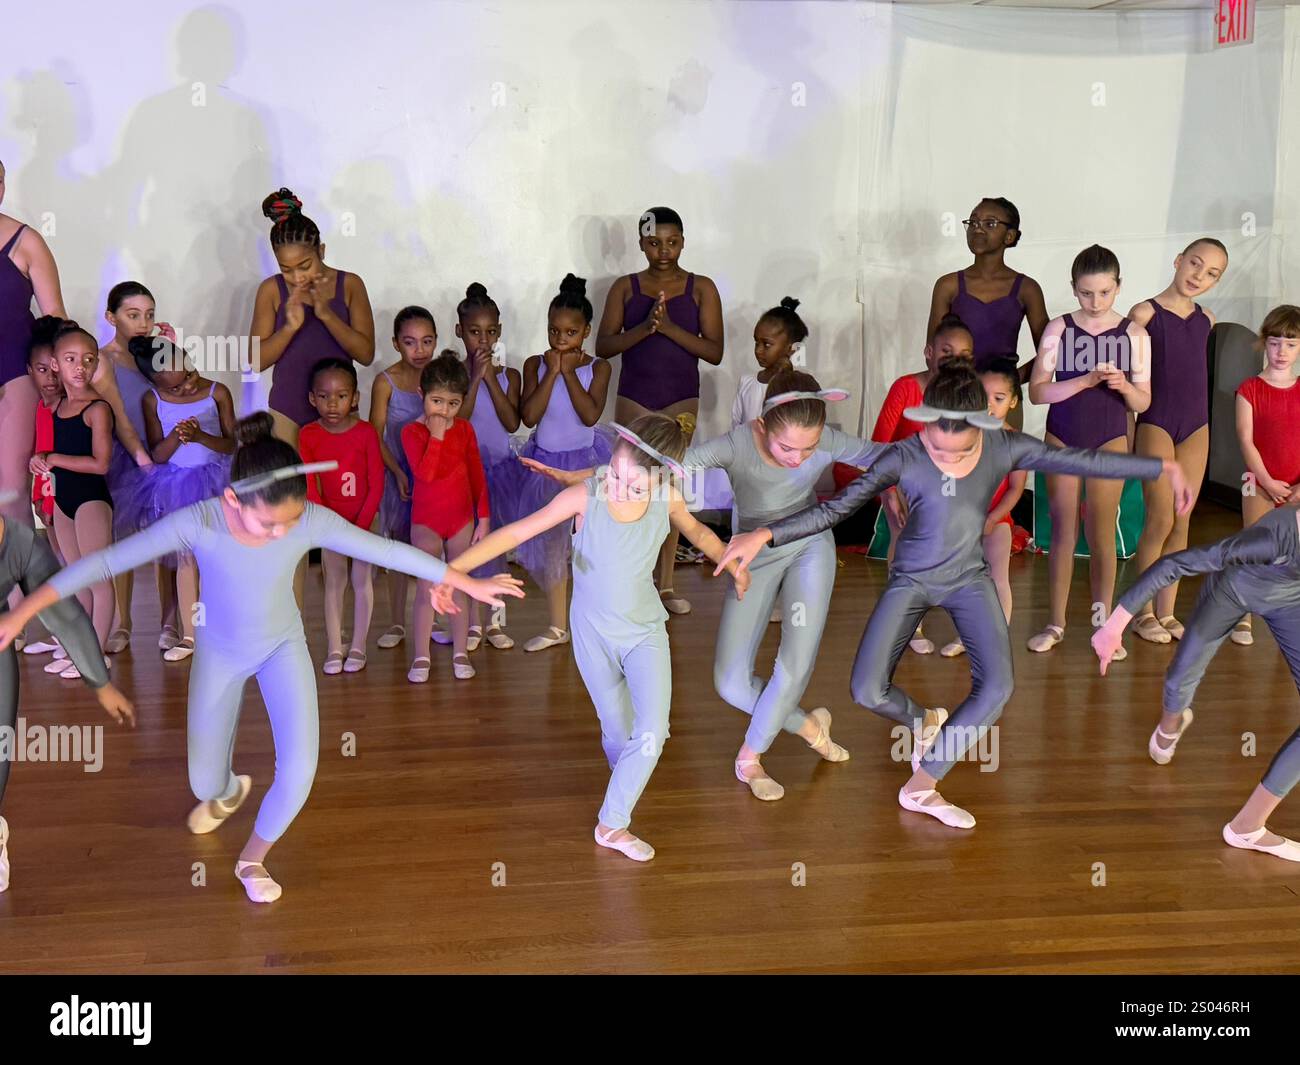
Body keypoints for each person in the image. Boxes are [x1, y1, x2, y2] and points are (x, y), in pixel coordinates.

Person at [0, 413, 523, 904]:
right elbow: (106, 561)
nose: (283, 533)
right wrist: (22, 616)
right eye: (269, 523)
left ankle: (253, 859)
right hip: (220, 654)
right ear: (232, 500)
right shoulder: (198, 522)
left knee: (300, 768)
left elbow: (385, 551)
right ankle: (226, 792)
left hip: (282, 647)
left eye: (290, 522)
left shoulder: (308, 519)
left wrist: (463, 580)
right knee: (205, 784)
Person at [718, 363, 1192, 829]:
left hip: (968, 579)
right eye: (936, 447)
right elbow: (836, 509)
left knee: (998, 687)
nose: (945, 458)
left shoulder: (1004, 446)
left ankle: (922, 785)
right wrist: (765, 535)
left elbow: (1081, 460)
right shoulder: (903, 455)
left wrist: (1161, 466)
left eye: (958, 450)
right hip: (911, 582)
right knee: (865, 690)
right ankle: (924, 720)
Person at [448, 415, 748, 861]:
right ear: (615, 456)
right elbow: (516, 531)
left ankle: (612, 824)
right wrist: (454, 570)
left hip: (646, 629)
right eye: (621, 477)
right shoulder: (585, 496)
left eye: (638, 486)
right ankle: (623, 773)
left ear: (662, 477)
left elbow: (698, 529)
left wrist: (728, 557)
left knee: (653, 731)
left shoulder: (665, 496)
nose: (625, 489)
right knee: (618, 731)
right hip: (593, 633)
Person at [1093, 503, 1300, 864]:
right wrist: (1114, 625)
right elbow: (1175, 564)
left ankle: (1248, 827)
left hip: (1291, 597)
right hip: (1233, 589)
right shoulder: (1265, 541)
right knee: (1180, 677)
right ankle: (1172, 722)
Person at [595, 207, 725, 613]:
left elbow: (715, 351)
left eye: (671, 242)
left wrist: (669, 329)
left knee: (668, 493)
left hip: (680, 400)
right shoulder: (625, 288)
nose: (663, 250)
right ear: (641, 244)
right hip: (635, 397)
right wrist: (645, 329)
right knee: (627, 488)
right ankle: (629, 579)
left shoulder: (701, 287)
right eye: (654, 243)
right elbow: (604, 347)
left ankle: (665, 585)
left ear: (683, 242)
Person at [1129, 238, 1230, 644]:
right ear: (1178, 260)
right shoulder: (1144, 312)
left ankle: (1167, 611)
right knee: (1161, 517)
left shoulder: (1207, 318)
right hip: (1156, 421)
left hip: (1196, 426)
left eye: (1212, 274)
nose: (1199, 277)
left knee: (1183, 518)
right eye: (1194, 264)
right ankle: (1142, 611)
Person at [1231, 304, 1300, 646]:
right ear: (1264, 343)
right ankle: (1243, 616)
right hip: (1258, 482)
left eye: (1290, 344)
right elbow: (1246, 439)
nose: (1281, 351)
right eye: (1275, 343)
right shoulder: (1249, 389)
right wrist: (1267, 481)